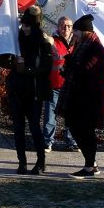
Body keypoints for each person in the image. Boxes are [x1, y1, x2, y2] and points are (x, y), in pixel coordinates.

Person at [0, 5, 52, 174]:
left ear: (35, 26)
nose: (25, 28)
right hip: (17, 90)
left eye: (28, 26)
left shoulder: (43, 43)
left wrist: (27, 69)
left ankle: (41, 162)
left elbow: (46, 67)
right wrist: (13, 63)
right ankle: (22, 162)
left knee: (35, 127)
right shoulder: (15, 40)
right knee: (18, 127)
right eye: (23, 25)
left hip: (34, 91)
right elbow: (2, 59)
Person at [57, 14, 104, 179]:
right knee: (75, 127)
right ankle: (91, 163)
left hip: (88, 98)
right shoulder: (81, 46)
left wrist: (71, 64)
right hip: (76, 96)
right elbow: (76, 70)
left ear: (84, 31)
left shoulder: (95, 48)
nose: (74, 34)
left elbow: (87, 70)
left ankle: (89, 166)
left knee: (85, 130)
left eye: (76, 30)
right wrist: (67, 69)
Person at [43, 16, 79, 152]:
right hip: (55, 85)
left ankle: (71, 142)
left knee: (71, 116)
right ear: (58, 27)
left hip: (70, 86)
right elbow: (45, 39)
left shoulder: (76, 43)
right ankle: (47, 142)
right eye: (63, 25)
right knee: (50, 115)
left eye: (69, 26)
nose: (66, 28)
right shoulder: (53, 41)